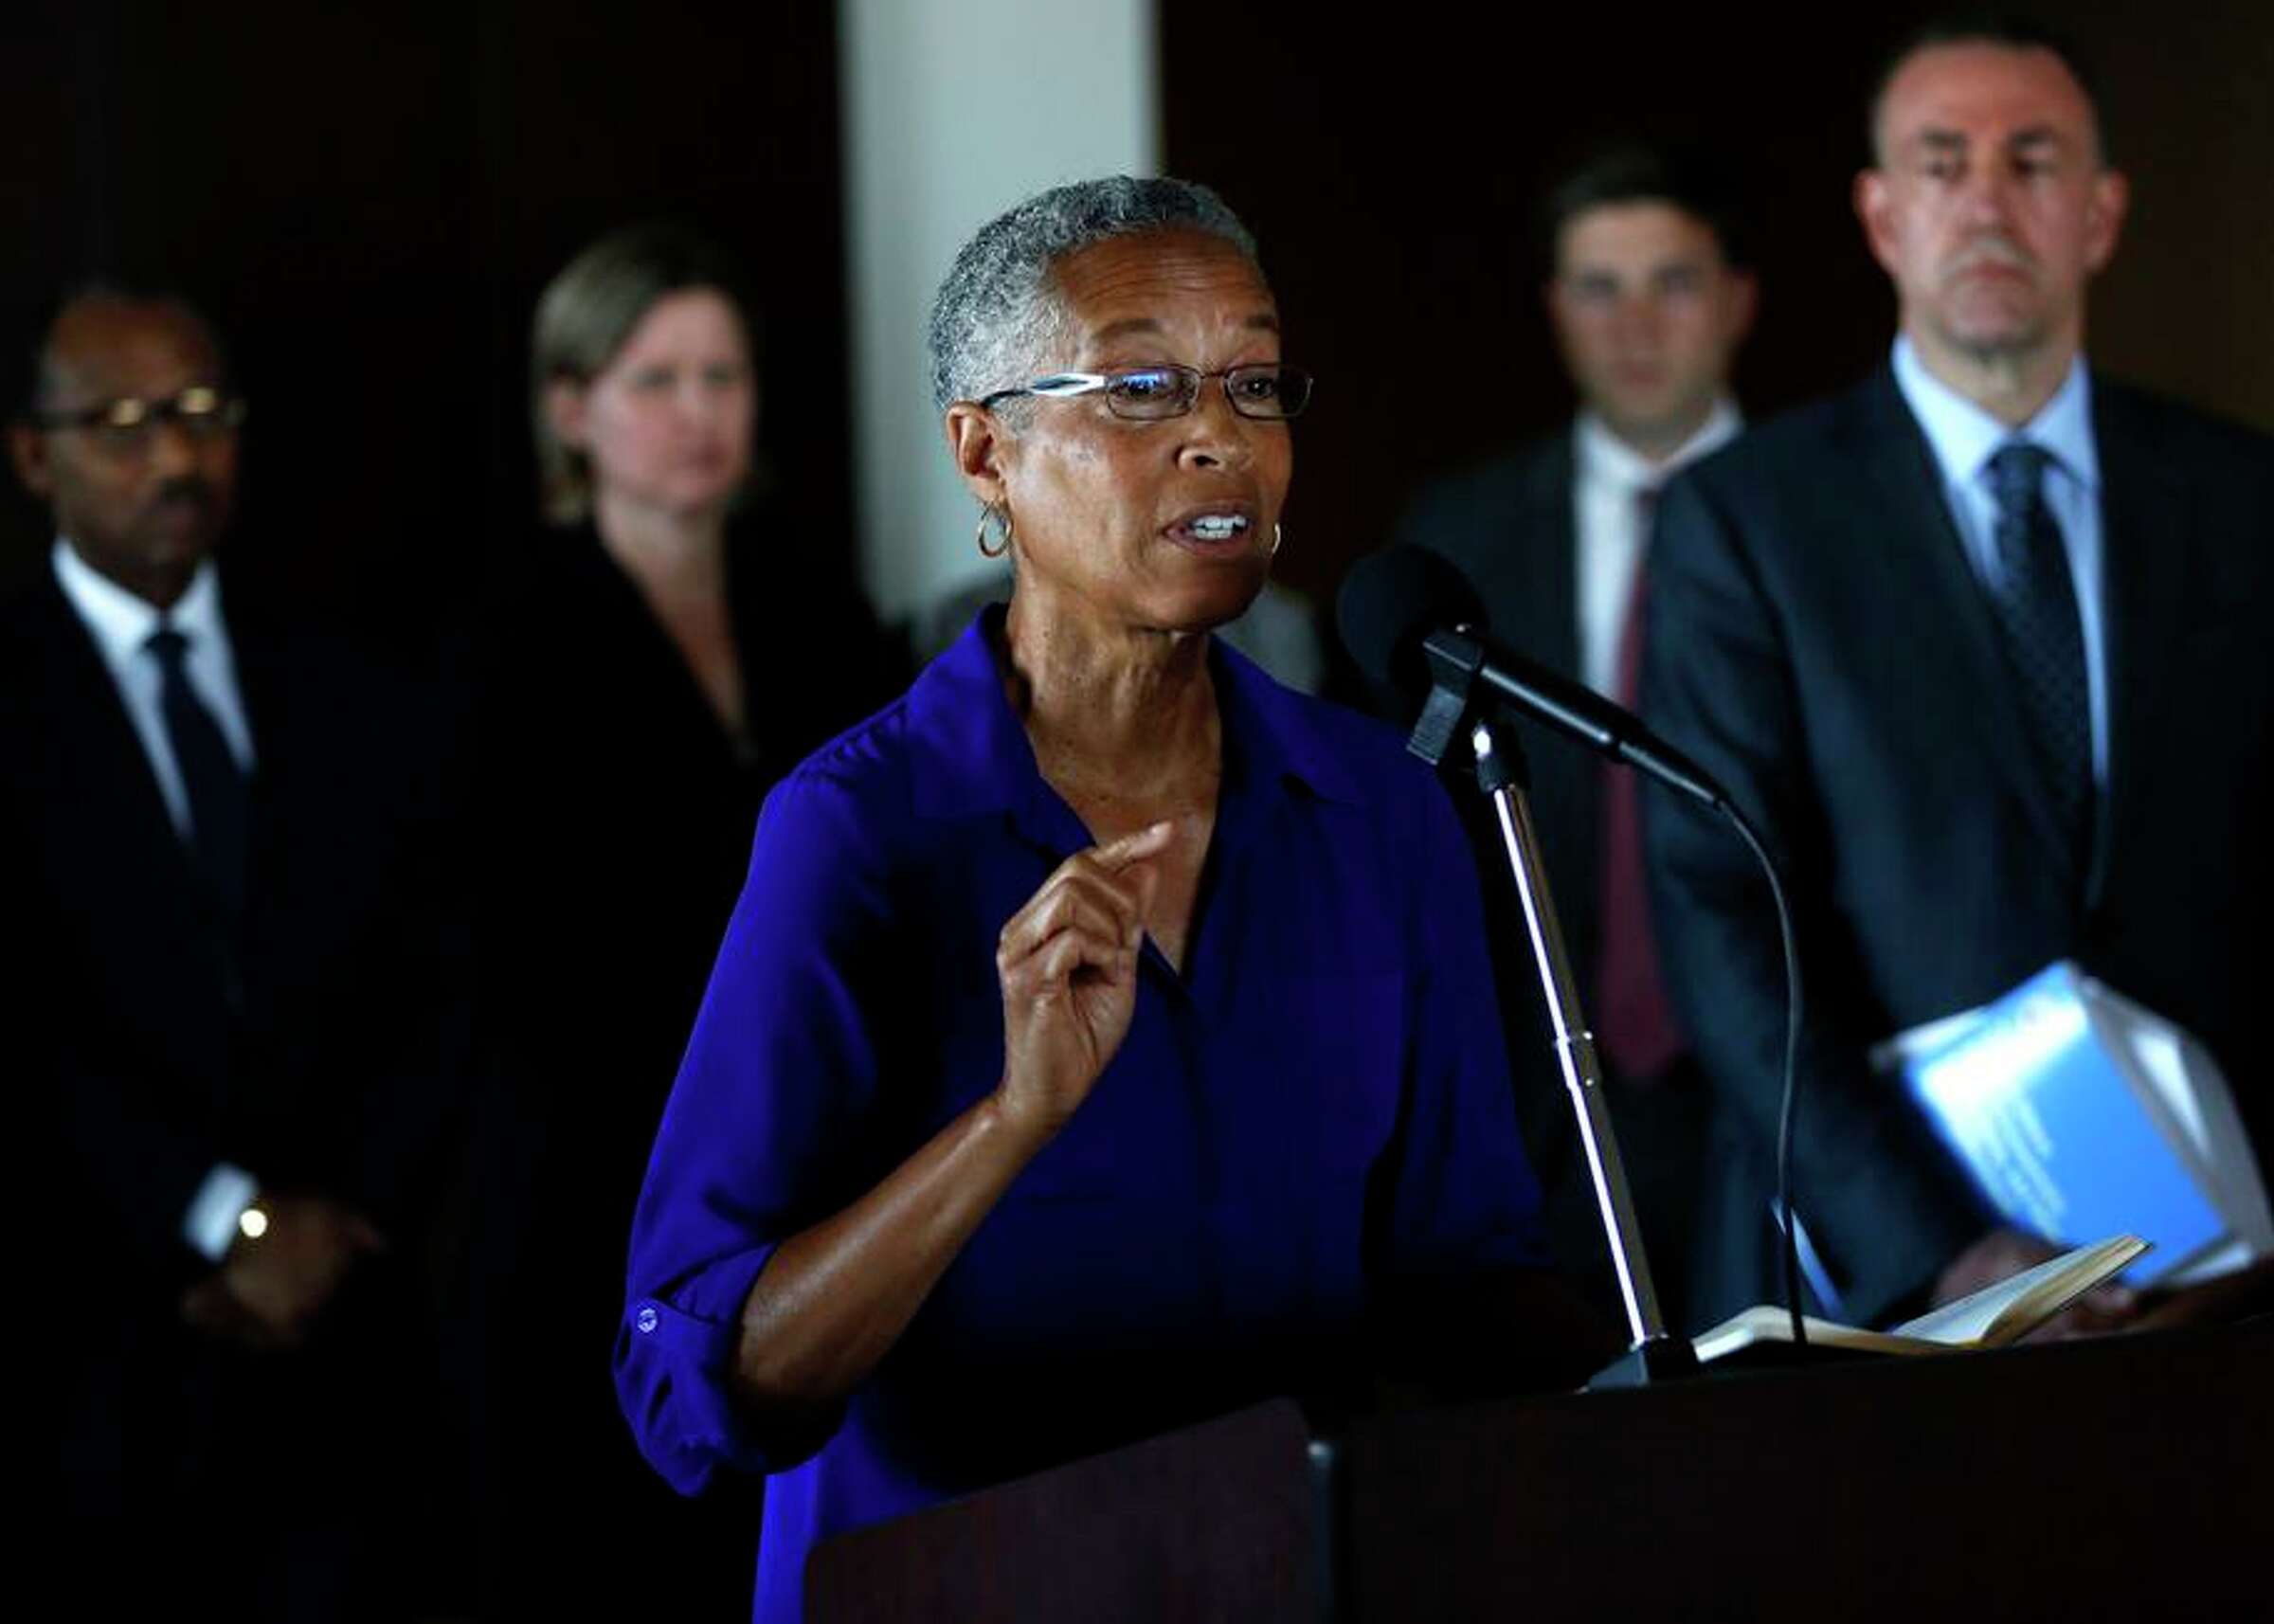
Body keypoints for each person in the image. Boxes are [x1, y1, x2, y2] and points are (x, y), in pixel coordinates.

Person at [613, 176, 1610, 1623]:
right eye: (1141, 385)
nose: (1222, 436)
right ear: (983, 452)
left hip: (1290, 1570)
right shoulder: (860, 830)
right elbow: (698, 1390)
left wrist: (1713, 1391)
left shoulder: (1380, 803)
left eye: (1255, 382)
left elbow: (1458, 1274)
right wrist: (1010, 1122)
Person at [1643, 16, 2273, 1331]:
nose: (1987, 200)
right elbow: (1724, 930)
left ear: (2100, 215)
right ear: (1881, 217)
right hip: (1883, 1288)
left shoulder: (2239, 497)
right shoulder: (1744, 520)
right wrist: (1945, 1249)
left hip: (2209, 1286)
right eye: (1943, 163)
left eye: (2032, 161)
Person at [6, 286, 471, 1614]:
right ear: (36, 455)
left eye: (203, 416)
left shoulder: (347, 672)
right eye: (124, 423)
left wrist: (335, 1219)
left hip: (356, 1336)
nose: (173, 457)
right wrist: (222, 1218)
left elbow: (433, 974)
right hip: (98, 1340)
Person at [466, 223, 900, 1615]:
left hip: (816, 1145)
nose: (699, 413)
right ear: (569, 407)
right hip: (598, 1171)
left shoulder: (815, 601)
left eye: (723, 375)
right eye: (657, 380)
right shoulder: (504, 636)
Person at [1375, 143, 1757, 1331]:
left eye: (1672, 283)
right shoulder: (1461, 531)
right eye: (1599, 287)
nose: (1635, 323)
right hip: (1543, 1108)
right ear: (1555, 309)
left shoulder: (1835, 515)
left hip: (1784, 1101)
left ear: (1738, 299)